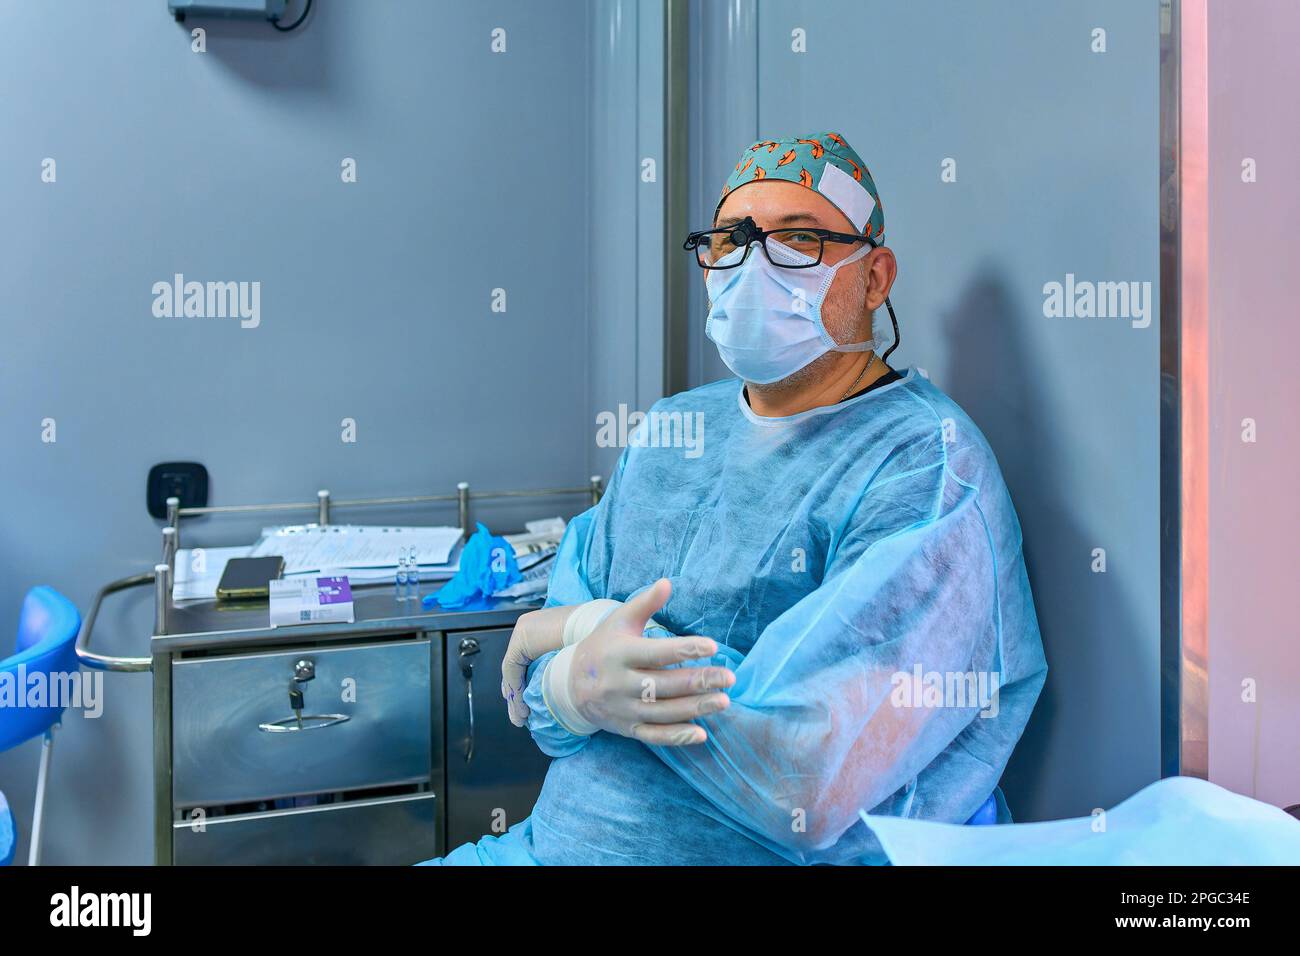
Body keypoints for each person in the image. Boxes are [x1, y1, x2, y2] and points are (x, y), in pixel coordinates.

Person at [427, 131, 1047, 865]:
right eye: (729, 242)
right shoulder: (671, 433)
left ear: (875, 278)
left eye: (799, 239)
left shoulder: (925, 469)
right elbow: (540, 705)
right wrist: (569, 689)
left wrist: (586, 634)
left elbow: (810, 779)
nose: (753, 266)